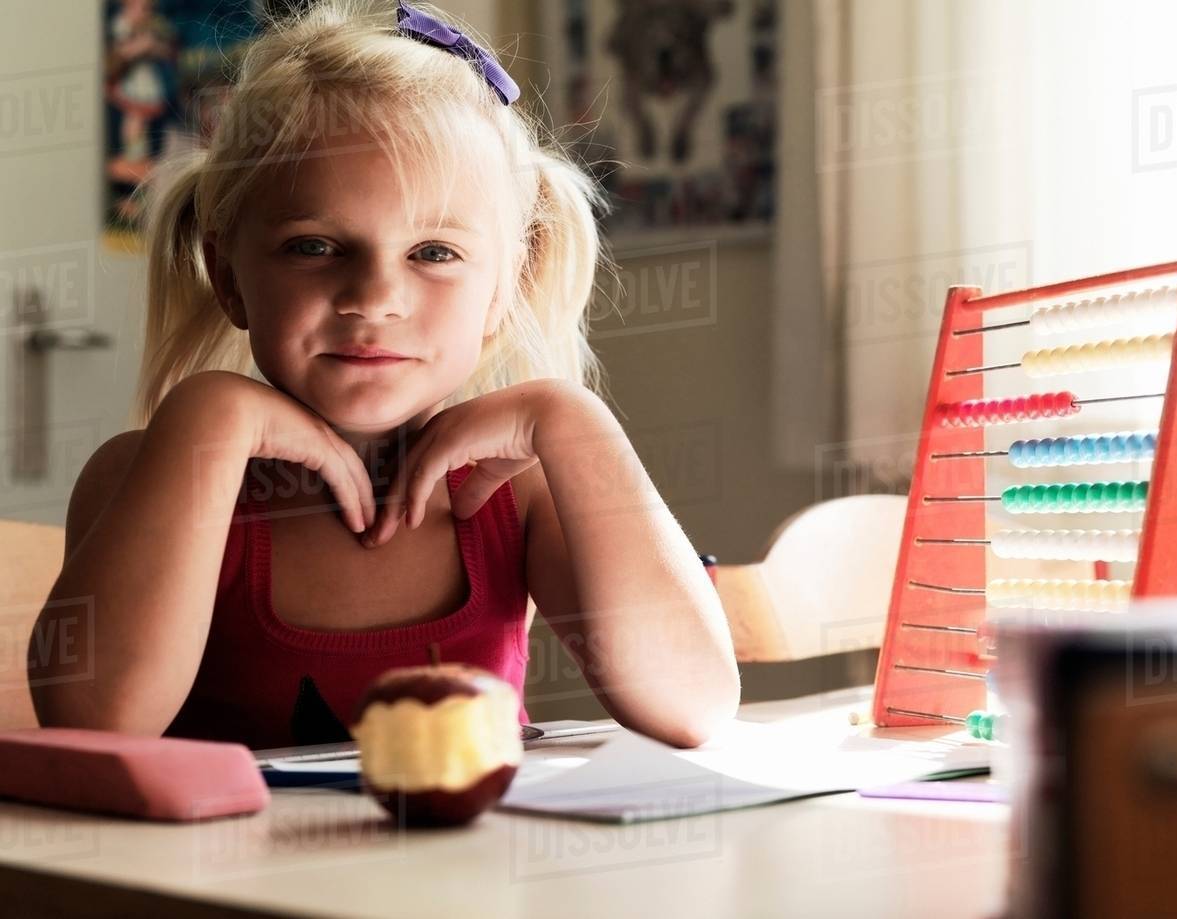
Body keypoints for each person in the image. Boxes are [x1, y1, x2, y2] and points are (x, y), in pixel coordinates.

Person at [30, 0, 739, 750]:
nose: (374, 298)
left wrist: (574, 422)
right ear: (228, 276)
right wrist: (207, 418)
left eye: (433, 252)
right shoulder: (146, 472)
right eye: (314, 247)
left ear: (504, 287)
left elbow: (691, 704)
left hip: (468, 868)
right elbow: (95, 722)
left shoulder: (520, 491)